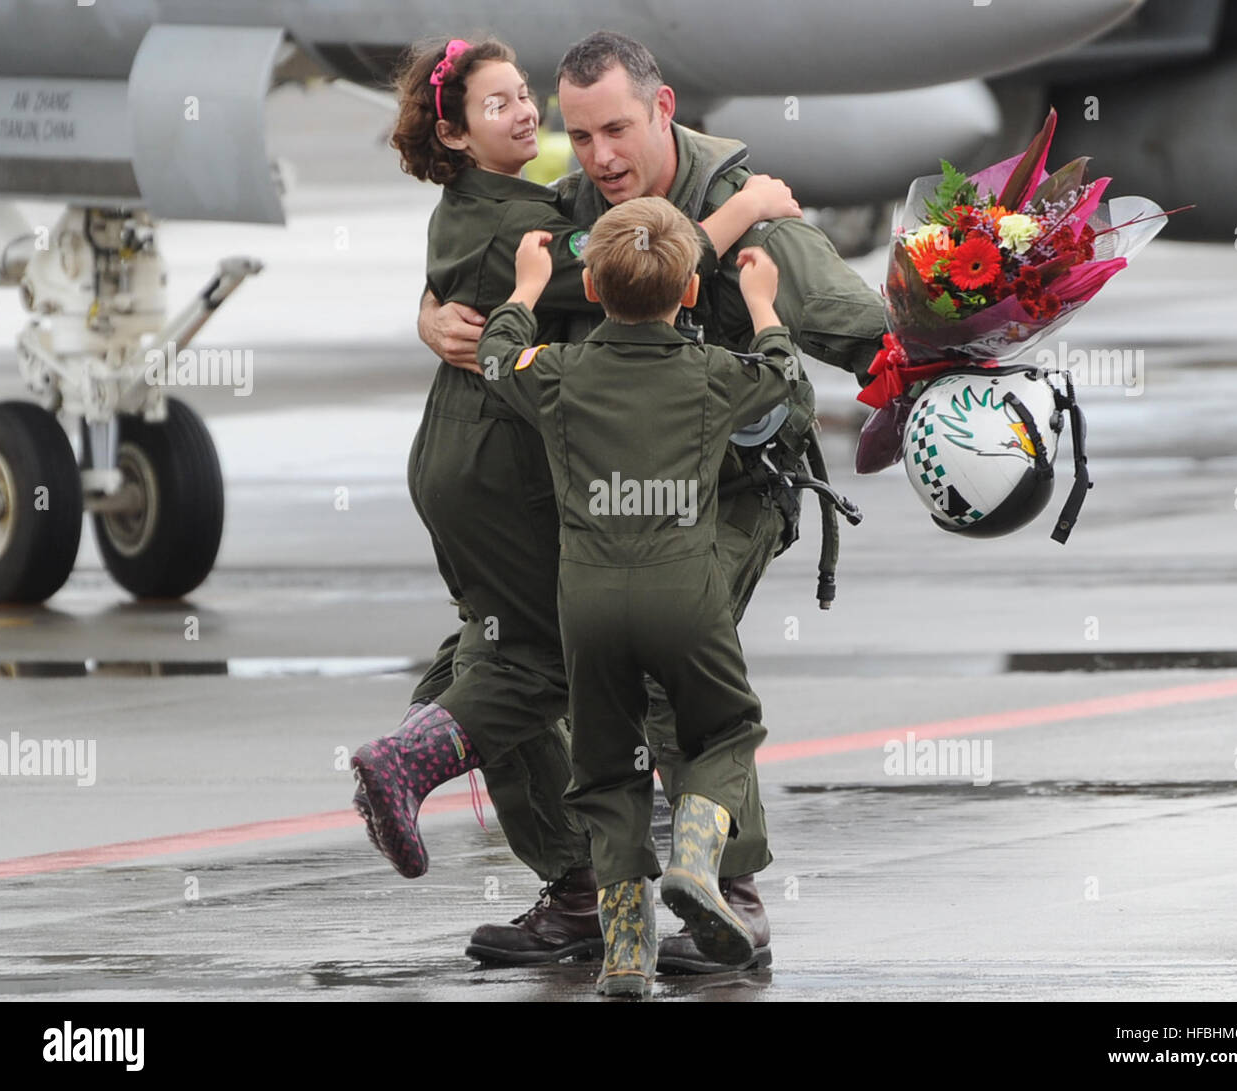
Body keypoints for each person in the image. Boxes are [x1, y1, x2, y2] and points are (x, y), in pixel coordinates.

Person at [419, 31, 887, 973]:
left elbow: (855, 328)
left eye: (618, 130)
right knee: (496, 652)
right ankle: (581, 892)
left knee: (679, 688)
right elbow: (506, 280)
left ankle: (734, 900)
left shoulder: (744, 213)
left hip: (731, 492)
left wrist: (940, 372)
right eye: (581, 135)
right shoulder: (575, 208)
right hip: (605, 496)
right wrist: (426, 312)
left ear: (663, 109)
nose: (600, 156)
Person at [351, 37, 802, 903]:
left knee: (495, 645)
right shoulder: (518, 222)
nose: (526, 113)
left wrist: (429, 313)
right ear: (452, 137)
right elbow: (636, 266)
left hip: (454, 456)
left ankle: (572, 883)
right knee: (553, 663)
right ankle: (413, 764)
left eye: (524, 95)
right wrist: (747, 209)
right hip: (494, 468)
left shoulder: (486, 203)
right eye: (497, 104)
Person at [478, 197, 796, 998]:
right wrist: (762, 306)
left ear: (591, 289)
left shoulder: (556, 374)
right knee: (728, 728)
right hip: (684, 598)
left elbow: (496, 355)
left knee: (607, 773)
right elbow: (782, 380)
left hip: (586, 604)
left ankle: (624, 953)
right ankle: (694, 855)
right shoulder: (714, 376)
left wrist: (524, 288)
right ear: (690, 291)